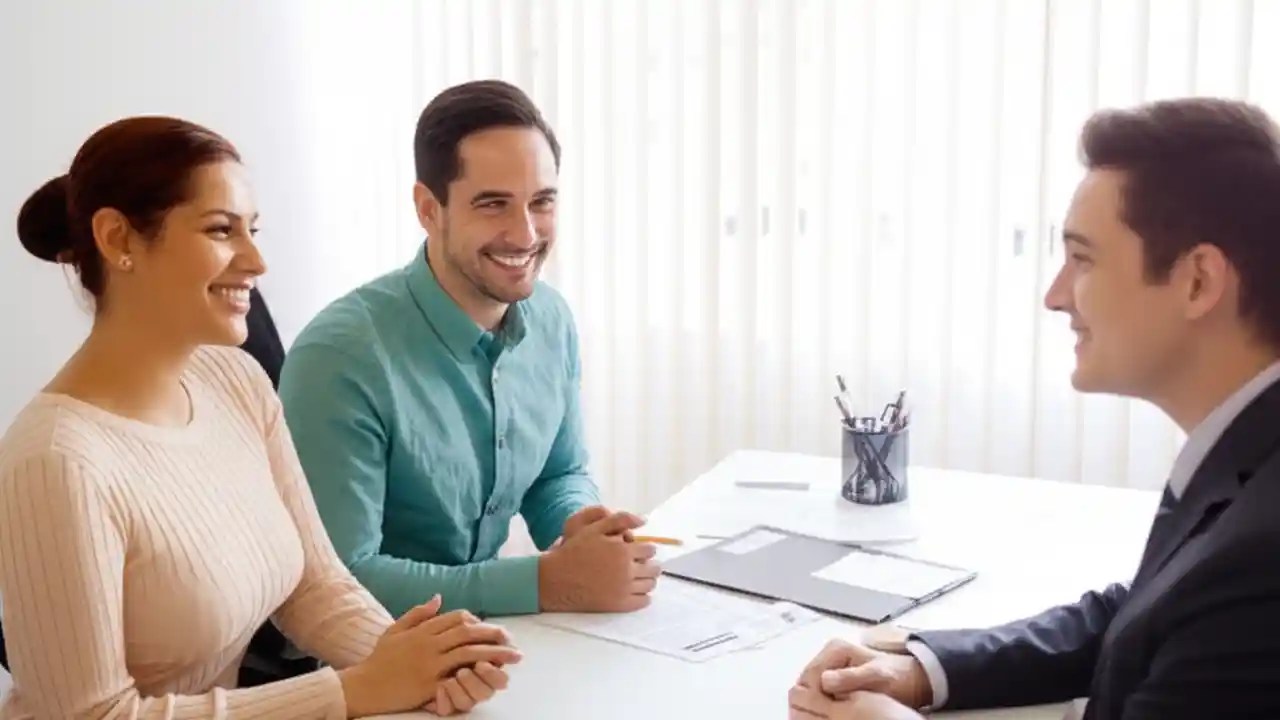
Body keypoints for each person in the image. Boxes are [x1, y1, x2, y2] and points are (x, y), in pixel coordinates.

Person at [0, 116, 520, 719]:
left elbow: (314, 586)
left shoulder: (237, 381)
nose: (255, 260)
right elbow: (93, 716)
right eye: (222, 230)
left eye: (253, 230)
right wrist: (353, 690)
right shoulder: (56, 462)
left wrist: (416, 664)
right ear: (118, 239)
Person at [789, 97, 1280, 720]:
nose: (1055, 296)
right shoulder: (1248, 453)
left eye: (1083, 259)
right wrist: (919, 670)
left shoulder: (1262, 562)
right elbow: (1145, 618)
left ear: (1198, 282)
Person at [277, 79, 661, 620]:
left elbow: (559, 473)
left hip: (487, 644)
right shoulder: (340, 357)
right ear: (428, 209)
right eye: (493, 204)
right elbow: (339, 580)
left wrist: (578, 525)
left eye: (542, 202)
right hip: (369, 666)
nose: (525, 233)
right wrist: (545, 583)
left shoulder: (551, 320)